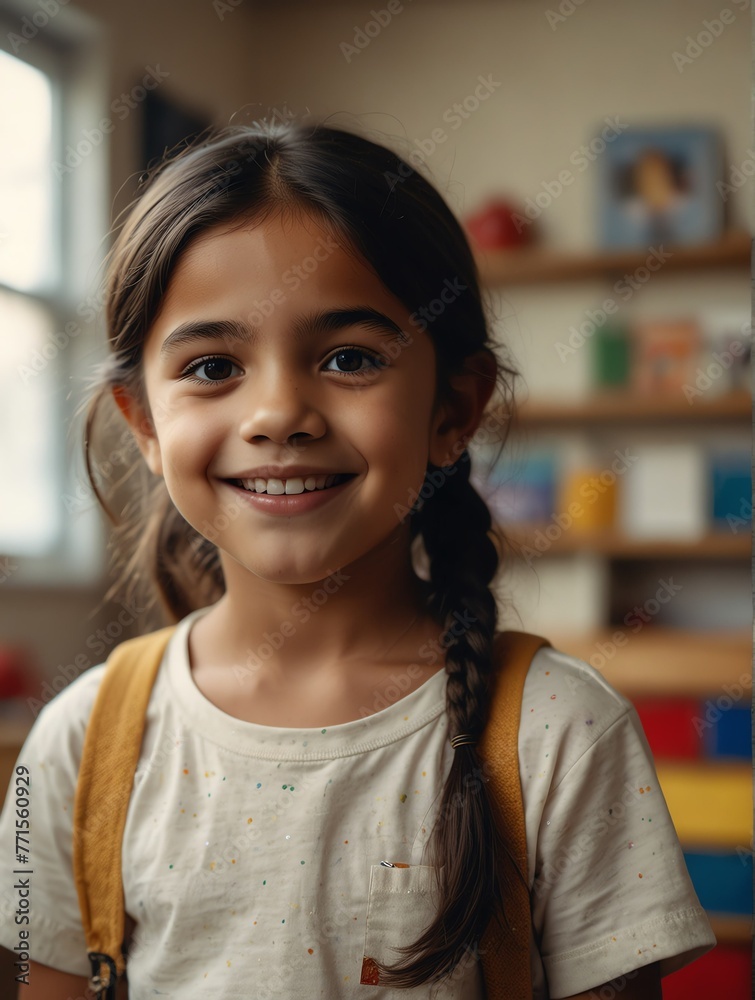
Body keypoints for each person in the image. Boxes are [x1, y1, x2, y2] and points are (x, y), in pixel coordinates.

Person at [0, 120, 715, 999]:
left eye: (348, 358)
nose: (278, 413)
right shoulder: (75, 741)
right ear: (143, 422)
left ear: (454, 409)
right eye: (214, 365)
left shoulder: (560, 734)